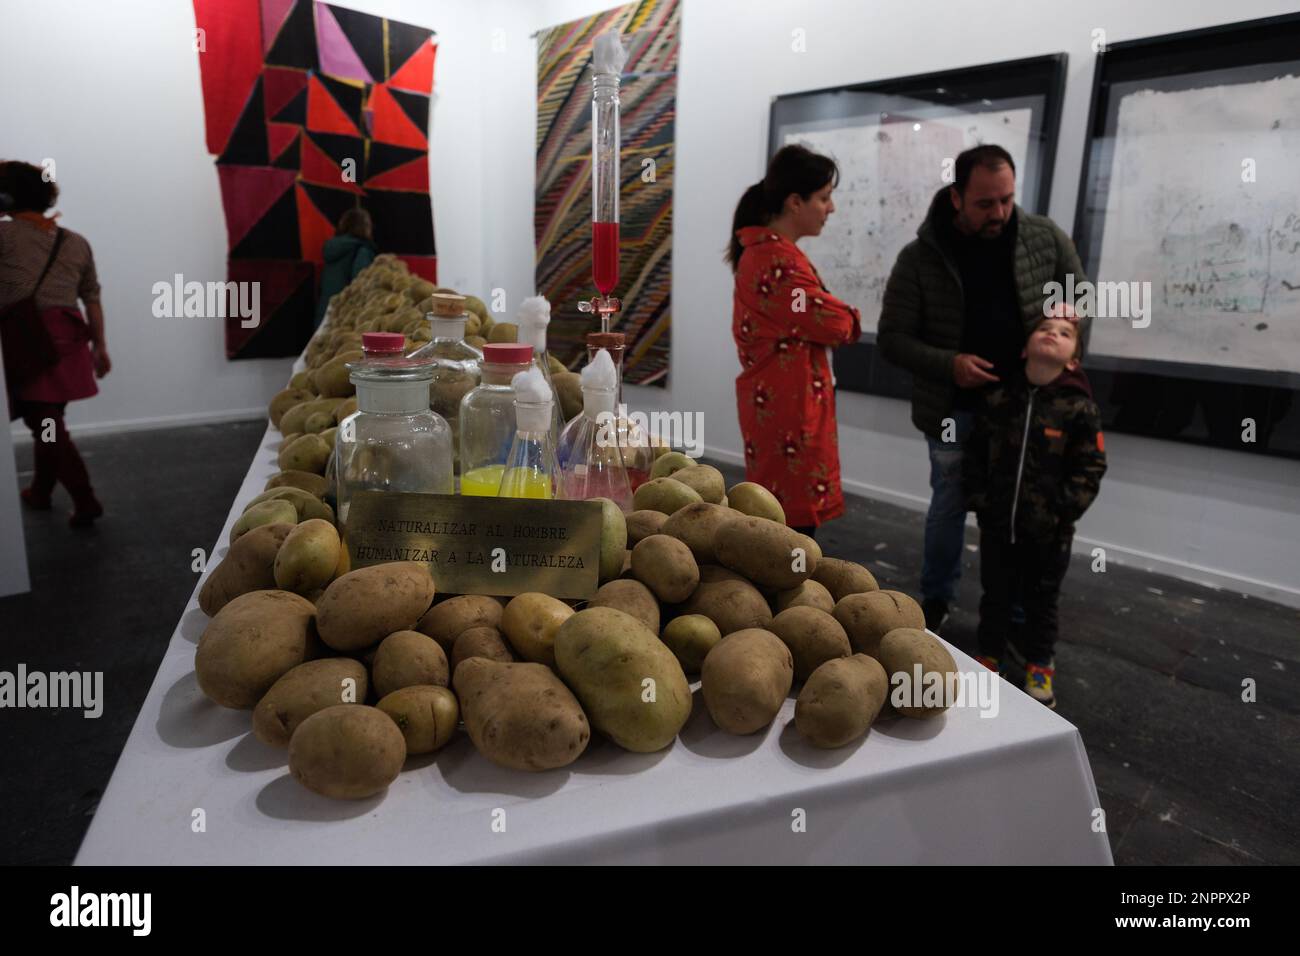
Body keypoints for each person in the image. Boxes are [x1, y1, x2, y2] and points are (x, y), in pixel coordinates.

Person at [877, 144, 1087, 632]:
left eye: (1007, 200)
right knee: (949, 505)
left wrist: (1065, 333)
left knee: (1015, 514)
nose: (999, 213)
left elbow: (1080, 296)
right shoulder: (920, 258)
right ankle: (935, 601)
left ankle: (1013, 611)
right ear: (956, 197)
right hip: (954, 409)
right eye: (985, 203)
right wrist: (951, 365)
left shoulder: (1043, 237)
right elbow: (892, 340)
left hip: (1024, 412)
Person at [963, 313, 1107, 707]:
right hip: (997, 527)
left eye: (1064, 333)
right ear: (1026, 348)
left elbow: (1091, 467)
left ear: (1072, 359)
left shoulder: (1080, 409)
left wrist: (1062, 513)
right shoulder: (998, 399)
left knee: (1042, 603)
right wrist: (980, 501)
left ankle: (1039, 664)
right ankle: (989, 658)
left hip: (1050, 535)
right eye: (1044, 329)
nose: (1052, 334)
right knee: (995, 595)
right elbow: (975, 454)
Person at [728, 144, 861, 539]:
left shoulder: (771, 253)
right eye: (824, 198)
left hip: (783, 404)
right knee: (788, 529)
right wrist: (852, 315)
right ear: (795, 202)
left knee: (782, 521)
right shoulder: (775, 260)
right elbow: (834, 322)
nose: (830, 208)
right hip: (788, 414)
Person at [0, 160, 109, 526]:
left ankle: (86, 498)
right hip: (69, 339)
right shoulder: (75, 241)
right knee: (50, 420)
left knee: (45, 423)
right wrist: (100, 347)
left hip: (29, 339)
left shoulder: (4, 236)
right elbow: (91, 297)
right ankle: (41, 491)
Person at [316, 208, 377, 326]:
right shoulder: (361, 250)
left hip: (324, 313)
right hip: (345, 317)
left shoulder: (332, 247)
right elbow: (360, 286)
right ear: (365, 227)